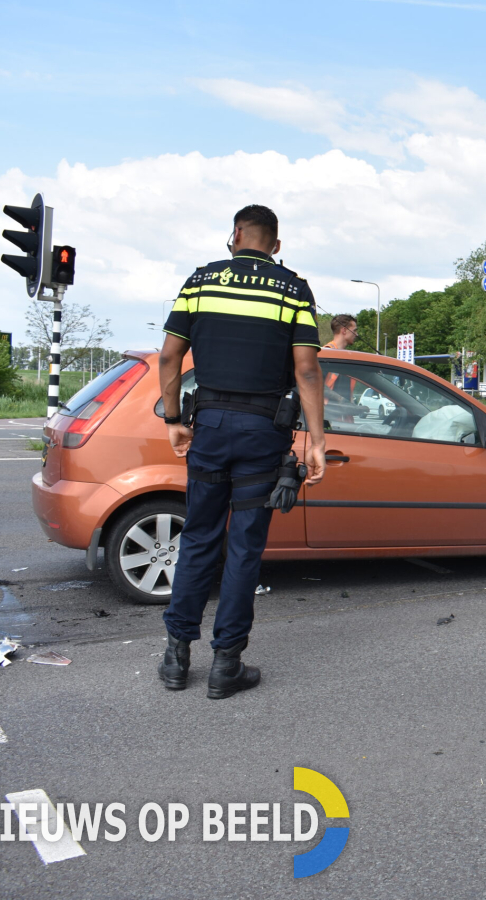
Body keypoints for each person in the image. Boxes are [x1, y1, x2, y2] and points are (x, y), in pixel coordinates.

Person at [156, 204, 326, 699]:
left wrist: (173, 420)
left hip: (208, 426)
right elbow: (307, 369)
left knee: (198, 537)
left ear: (235, 235)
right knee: (244, 548)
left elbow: (169, 356)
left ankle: (176, 657)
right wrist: (316, 440)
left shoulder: (200, 281)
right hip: (262, 433)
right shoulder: (293, 288)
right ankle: (225, 664)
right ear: (276, 244)